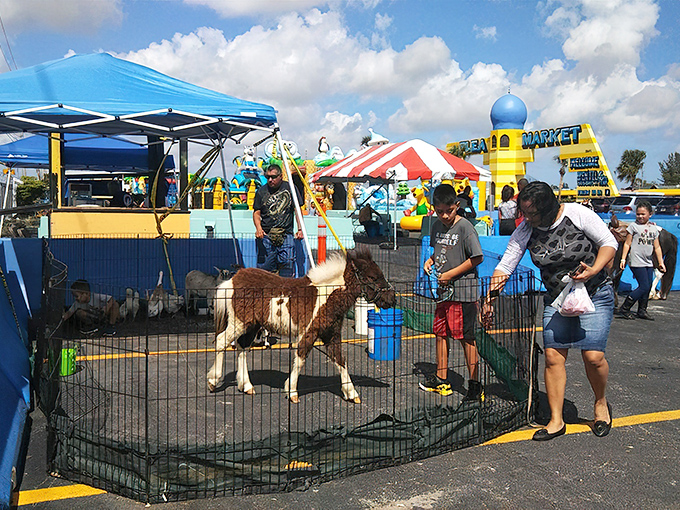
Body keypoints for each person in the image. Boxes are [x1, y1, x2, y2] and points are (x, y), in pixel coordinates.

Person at [481, 181, 617, 441]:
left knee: (593, 356)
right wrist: (489, 299)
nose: (527, 218)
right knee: (554, 357)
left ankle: (601, 403)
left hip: (594, 293)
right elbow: (506, 265)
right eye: (524, 213)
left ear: (549, 207)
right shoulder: (526, 230)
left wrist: (595, 269)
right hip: (557, 298)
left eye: (532, 213)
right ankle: (556, 420)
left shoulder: (576, 214)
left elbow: (608, 242)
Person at [420, 184, 484, 400]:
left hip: (463, 292)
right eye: (440, 211)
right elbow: (439, 251)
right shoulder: (436, 226)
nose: (445, 215)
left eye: (449, 210)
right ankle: (441, 379)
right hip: (443, 291)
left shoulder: (465, 227)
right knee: (440, 333)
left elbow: (477, 258)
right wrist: (430, 261)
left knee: (466, 338)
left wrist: (451, 274)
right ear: (434, 209)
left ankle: (475, 385)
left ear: (457, 205)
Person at [253, 164, 304, 277]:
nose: (270, 180)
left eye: (273, 177)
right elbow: (257, 212)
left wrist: (300, 229)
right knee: (266, 266)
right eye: (268, 177)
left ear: (280, 176)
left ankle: (285, 287)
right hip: (267, 234)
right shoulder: (261, 191)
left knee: (287, 261)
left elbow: (297, 210)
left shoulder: (290, 188)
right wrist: (259, 229)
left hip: (286, 233)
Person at [617, 201, 666, 320]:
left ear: (650, 214)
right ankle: (625, 308)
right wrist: (623, 258)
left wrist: (660, 262)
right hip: (636, 261)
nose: (640, 216)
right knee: (643, 286)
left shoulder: (653, 228)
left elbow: (657, 247)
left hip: (648, 261)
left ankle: (642, 310)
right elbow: (627, 244)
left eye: (643, 214)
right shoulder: (633, 227)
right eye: (638, 214)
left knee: (648, 286)